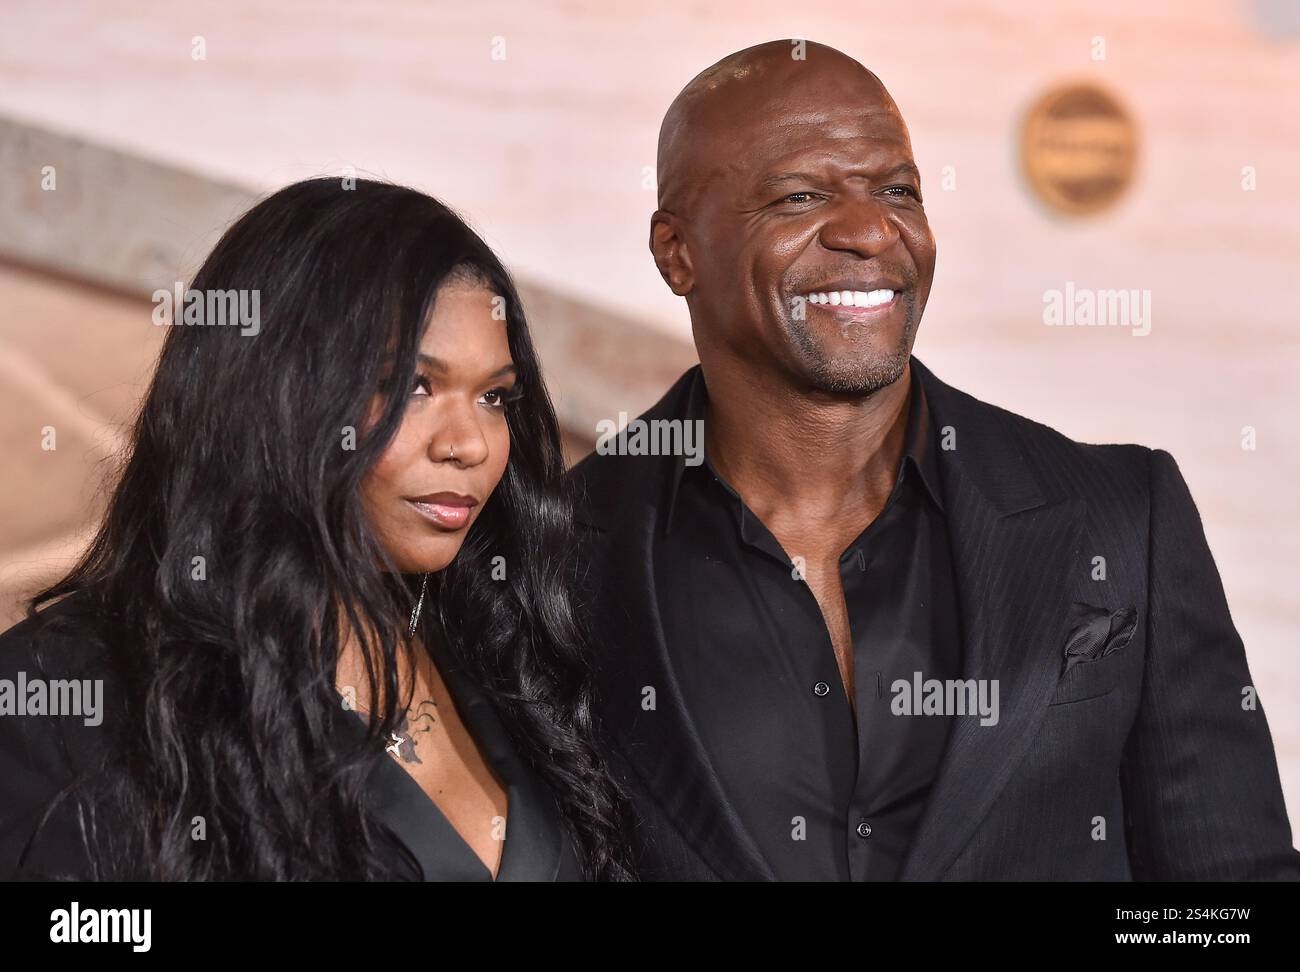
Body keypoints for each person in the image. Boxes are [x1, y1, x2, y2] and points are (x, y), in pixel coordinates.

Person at [568, 40, 1300, 880]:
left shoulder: (1122, 514)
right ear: (676, 251)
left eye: (896, 191)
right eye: (801, 195)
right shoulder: (563, 548)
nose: (870, 229)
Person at [0, 177, 634, 881]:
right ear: (278, 392)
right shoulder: (68, 687)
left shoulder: (505, 651)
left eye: (493, 397)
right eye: (412, 387)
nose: (470, 445)